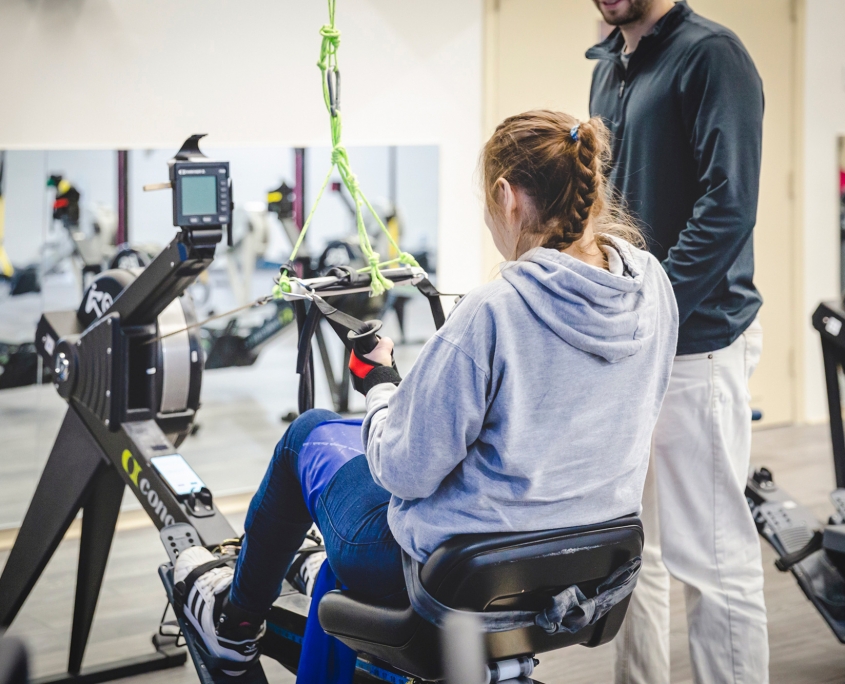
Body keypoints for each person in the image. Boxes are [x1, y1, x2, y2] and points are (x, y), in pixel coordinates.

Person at [174, 110, 678, 675]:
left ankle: (233, 627)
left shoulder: (495, 310)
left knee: (308, 435)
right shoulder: (652, 285)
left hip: (454, 575)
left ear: (507, 196)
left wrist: (381, 386)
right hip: (584, 572)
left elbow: (402, 471)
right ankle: (317, 577)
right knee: (345, 454)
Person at [586, 1, 767, 683]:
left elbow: (727, 205)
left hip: (699, 343)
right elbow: (605, 203)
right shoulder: (609, 67)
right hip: (632, 342)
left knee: (713, 559)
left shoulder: (711, 56)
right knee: (632, 551)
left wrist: (655, 304)